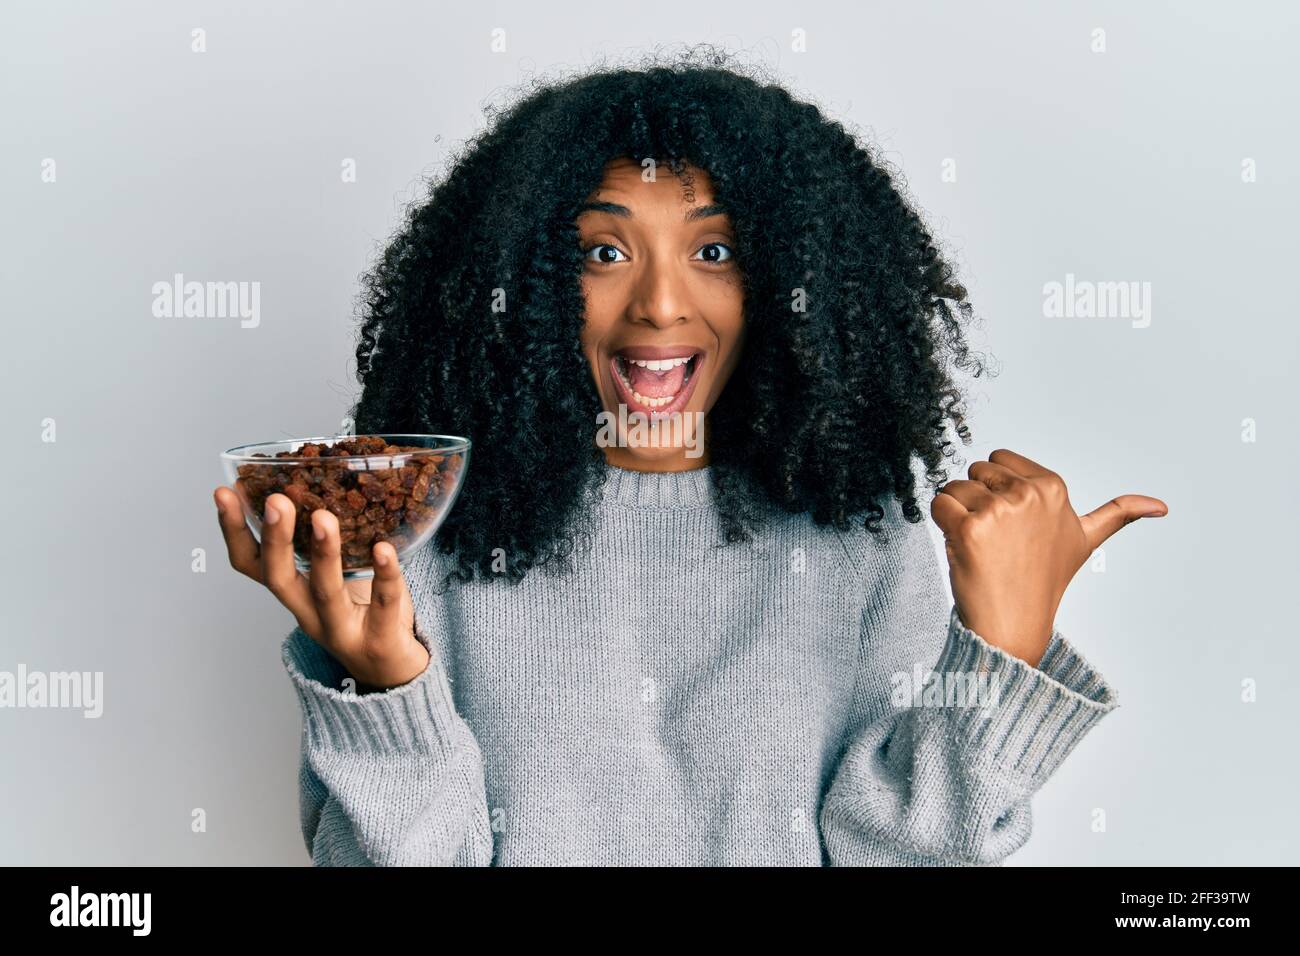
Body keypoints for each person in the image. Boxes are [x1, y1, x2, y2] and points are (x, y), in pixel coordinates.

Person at [212, 54, 1166, 865]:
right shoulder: (422, 547)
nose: (662, 305)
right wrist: (385, 692)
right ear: (527, 283)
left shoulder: (863, 547)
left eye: (716, 252)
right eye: (601, 252)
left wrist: (1002, 653)